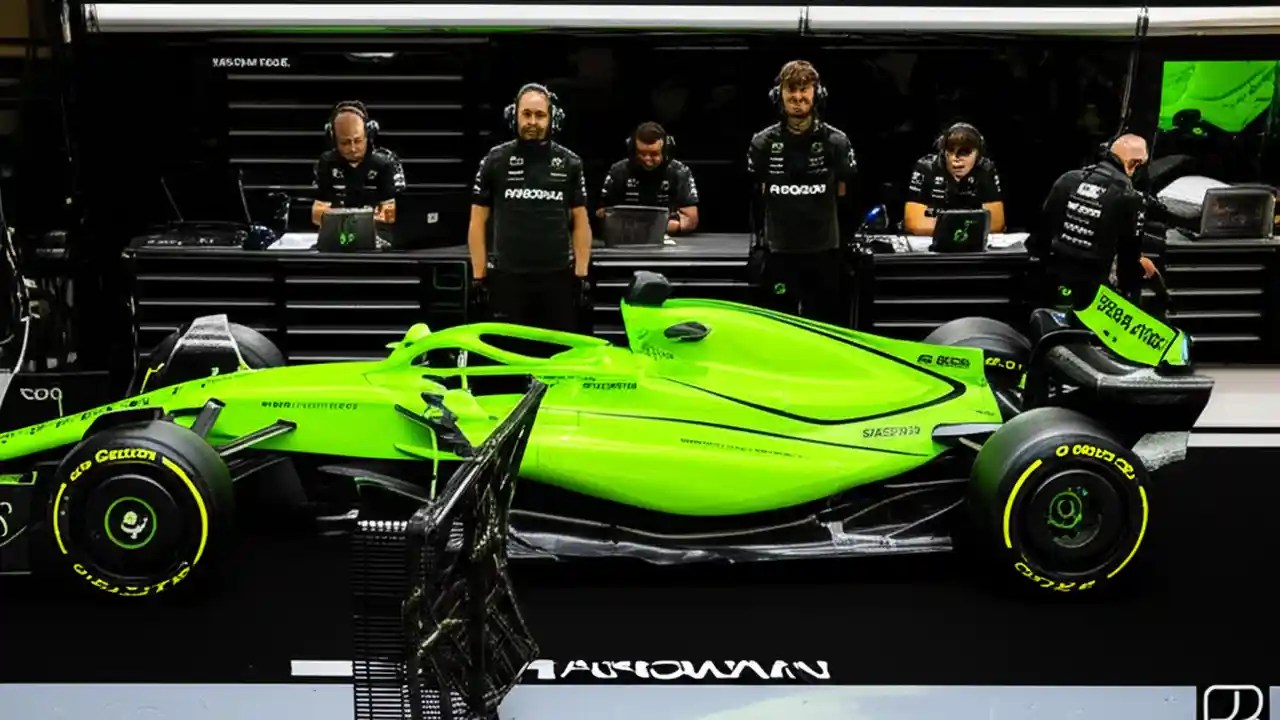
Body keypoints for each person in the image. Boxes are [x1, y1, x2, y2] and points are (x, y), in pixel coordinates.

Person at [468, 83, 592, 332]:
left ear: (551, 118)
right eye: (526, 114)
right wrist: (479, 275)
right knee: (509, 358)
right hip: (508, 277)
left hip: (557, 277)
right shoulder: (494, 160)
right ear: (514, 116)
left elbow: (580, 220)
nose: (532, 122)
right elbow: (477, 220)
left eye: (540, 115)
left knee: (557, 358)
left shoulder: (570, 163)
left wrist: (581, 273)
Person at [746, 60, 858, 326]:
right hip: (779, 253)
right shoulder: (762, 143)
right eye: (790, 91)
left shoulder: (837, 142)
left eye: (804, 90)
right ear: (779, 95)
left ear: (817, 94)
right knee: (777, 328)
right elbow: (758, 195)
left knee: (826, 327)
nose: (797, 98)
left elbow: (844, 196)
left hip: (825, 252)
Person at [1027, 133, 1158, 310]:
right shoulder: (1130, 198)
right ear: (1135, 164)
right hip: (1095, 295)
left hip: (1049, 285)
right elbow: (1128, 264)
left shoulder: (1068, 179)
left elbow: (1039, 237)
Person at [310, 101, 406, 229]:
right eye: (345, 143)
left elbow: (392, 213)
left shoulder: (385, 162)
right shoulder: (326, 163)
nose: (353, 148)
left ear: (369, 135)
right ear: (333, 139)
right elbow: (317, 213)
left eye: (358, 140)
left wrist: (344, 218)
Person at [902, 122, 1006, 236]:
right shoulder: (926, 168)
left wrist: (951, 229)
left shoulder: (986, 169)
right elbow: (915, 224)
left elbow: (996, 224)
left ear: (978, 154)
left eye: (965, 152)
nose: (955, 159)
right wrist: (968, 228)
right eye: (950, 151)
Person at [596, 122, 699, 236]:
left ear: (666, 151)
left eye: (654, 154)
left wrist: (644, 228)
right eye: (642, 153)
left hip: (668, 241)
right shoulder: (618, 171)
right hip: (626, 239)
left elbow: (690, 219)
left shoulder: (679, 172)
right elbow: (602, 214)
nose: (647, 159)